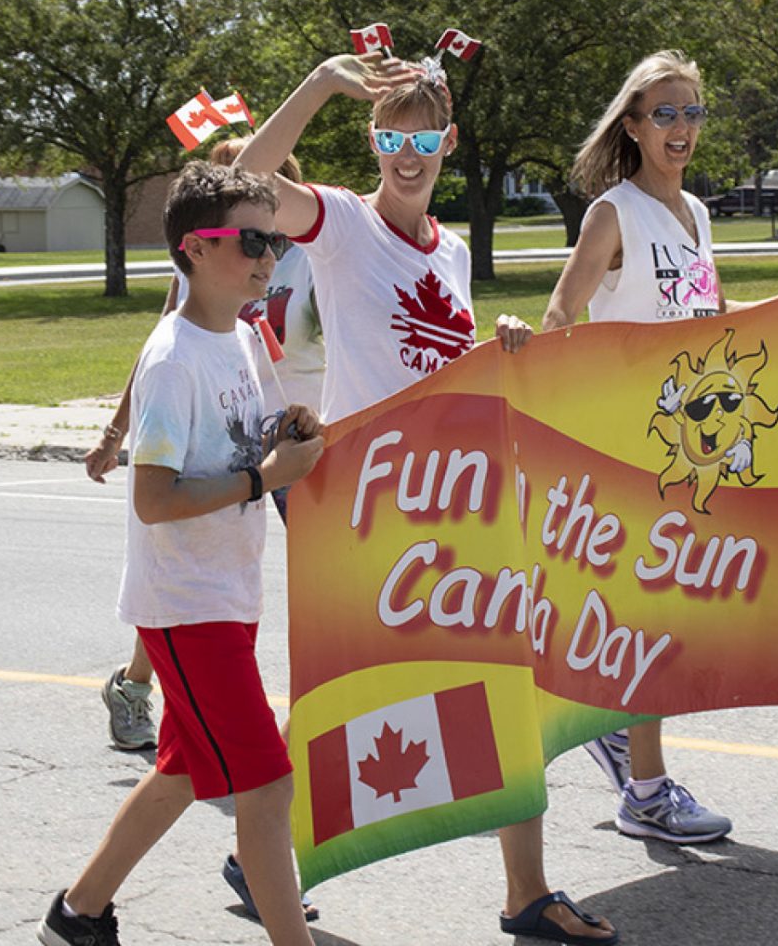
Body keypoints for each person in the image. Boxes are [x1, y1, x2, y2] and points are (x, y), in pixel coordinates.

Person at [236, 51, 616, 945]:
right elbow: (246, 182)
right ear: (373, 139)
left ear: (447, 141)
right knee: (348, 688)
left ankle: (526, 892)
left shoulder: (447, 244)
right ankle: (258, 842)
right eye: (389, 136)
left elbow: (442, 357)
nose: (406, 155)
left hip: (456, 491)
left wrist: (506, 340)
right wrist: (325, 84)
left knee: (506, 680)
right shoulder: (335, 220)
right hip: (360, 496)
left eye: (421, 138)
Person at [542, 49, 778, 846]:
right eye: (664, 114)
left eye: (692, 113)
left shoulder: (695, 215)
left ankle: (616, 736)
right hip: (628, 446)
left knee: (669, 613)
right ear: (633, 126)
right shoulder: (614, 212)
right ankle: (642, 790)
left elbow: (706, 318)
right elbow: (560, 313)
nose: (681, 128)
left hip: (692, 447)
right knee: (650, 617)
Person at [38, 161, 325, 946]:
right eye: (253, 239)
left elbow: (261, 441)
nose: (270, 256)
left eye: (277, 239)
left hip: (228, 592)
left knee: (183, 770)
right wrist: (260, 477)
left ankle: (78, 913)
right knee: (265, 787)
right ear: (196, 249)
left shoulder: (243, 335)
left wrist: (289, 430)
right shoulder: (171, 362)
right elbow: (154, 499)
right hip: (185, 604)